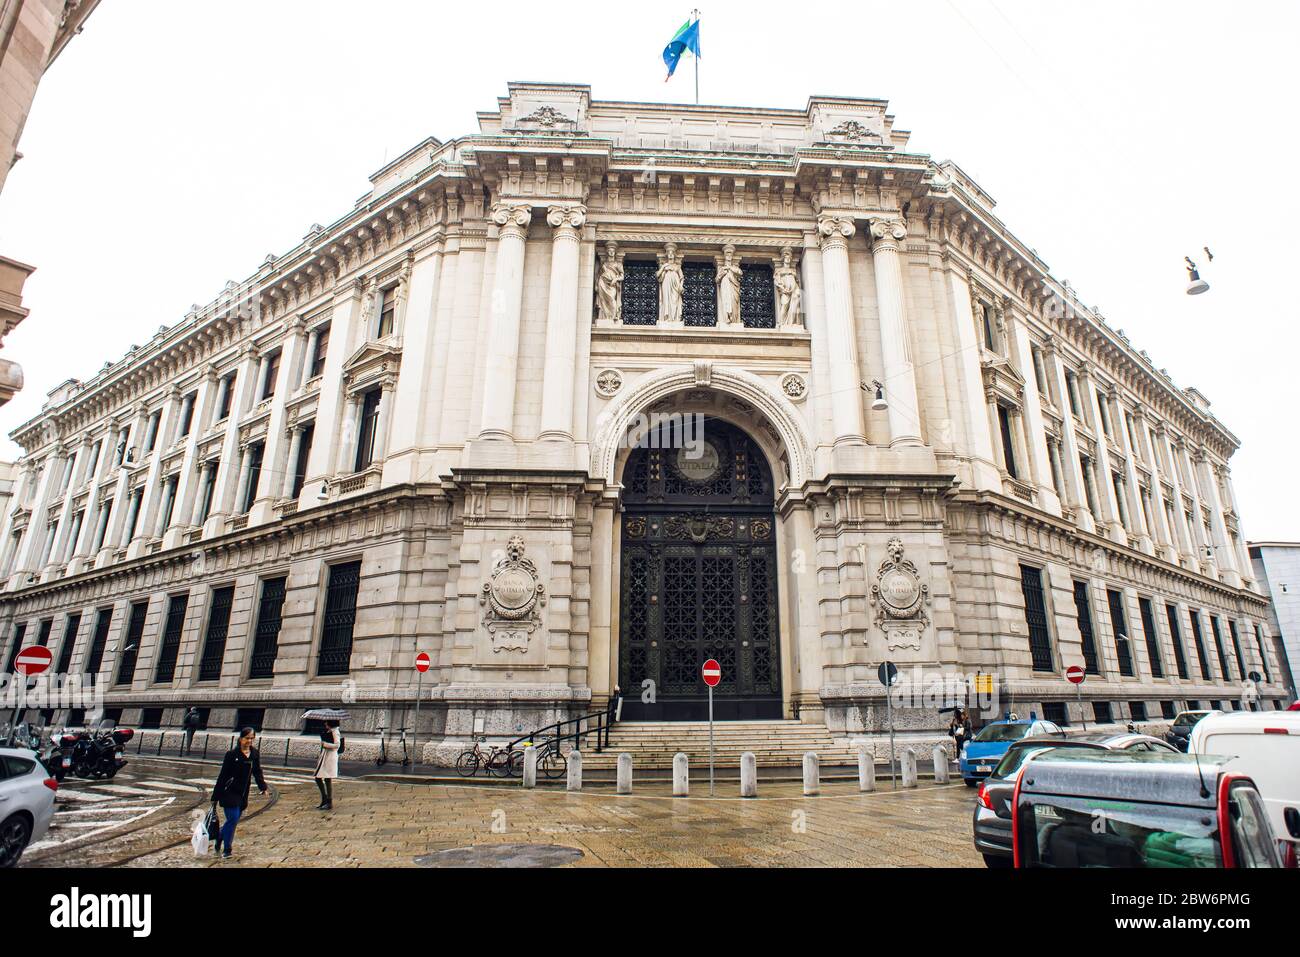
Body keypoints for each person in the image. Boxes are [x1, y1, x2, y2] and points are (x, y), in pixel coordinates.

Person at [211, 727, 268, 859]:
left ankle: (219, 836)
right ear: (240, 738)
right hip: (229, 791)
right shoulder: (231, 754)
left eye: (252, 738)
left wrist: (262, 787)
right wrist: (216, 796)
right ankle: (227, 849)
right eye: (247, 738)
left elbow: (257, 771)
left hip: (242, 793)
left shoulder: (254, 753)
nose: (249, 741)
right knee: (233, 819)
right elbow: (223, 775)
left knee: (233, 820)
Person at [314, 720, 340, 811]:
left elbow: (337, 745)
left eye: (326, 722)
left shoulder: (335, 731)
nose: (325, 724)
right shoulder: (330, 731)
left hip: (330, 758)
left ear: (330, 723)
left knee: (326, 778)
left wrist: (325, 744)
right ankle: (325, 799)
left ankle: (328, 801)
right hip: (326, 756)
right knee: (320, 778)